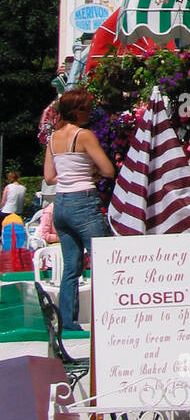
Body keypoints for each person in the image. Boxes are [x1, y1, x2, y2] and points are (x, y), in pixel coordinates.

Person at [43, 88, 114, 332]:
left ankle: (68, 324)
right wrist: (90, 171)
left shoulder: (53, 138)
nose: (91, 112)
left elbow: (49, 176)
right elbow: (108, 170)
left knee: (71, 269)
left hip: (61, 203)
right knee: (105, 262)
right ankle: (109, 319)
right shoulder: (83, 135)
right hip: (83, 202)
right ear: (78, 111)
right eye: (88, 108)